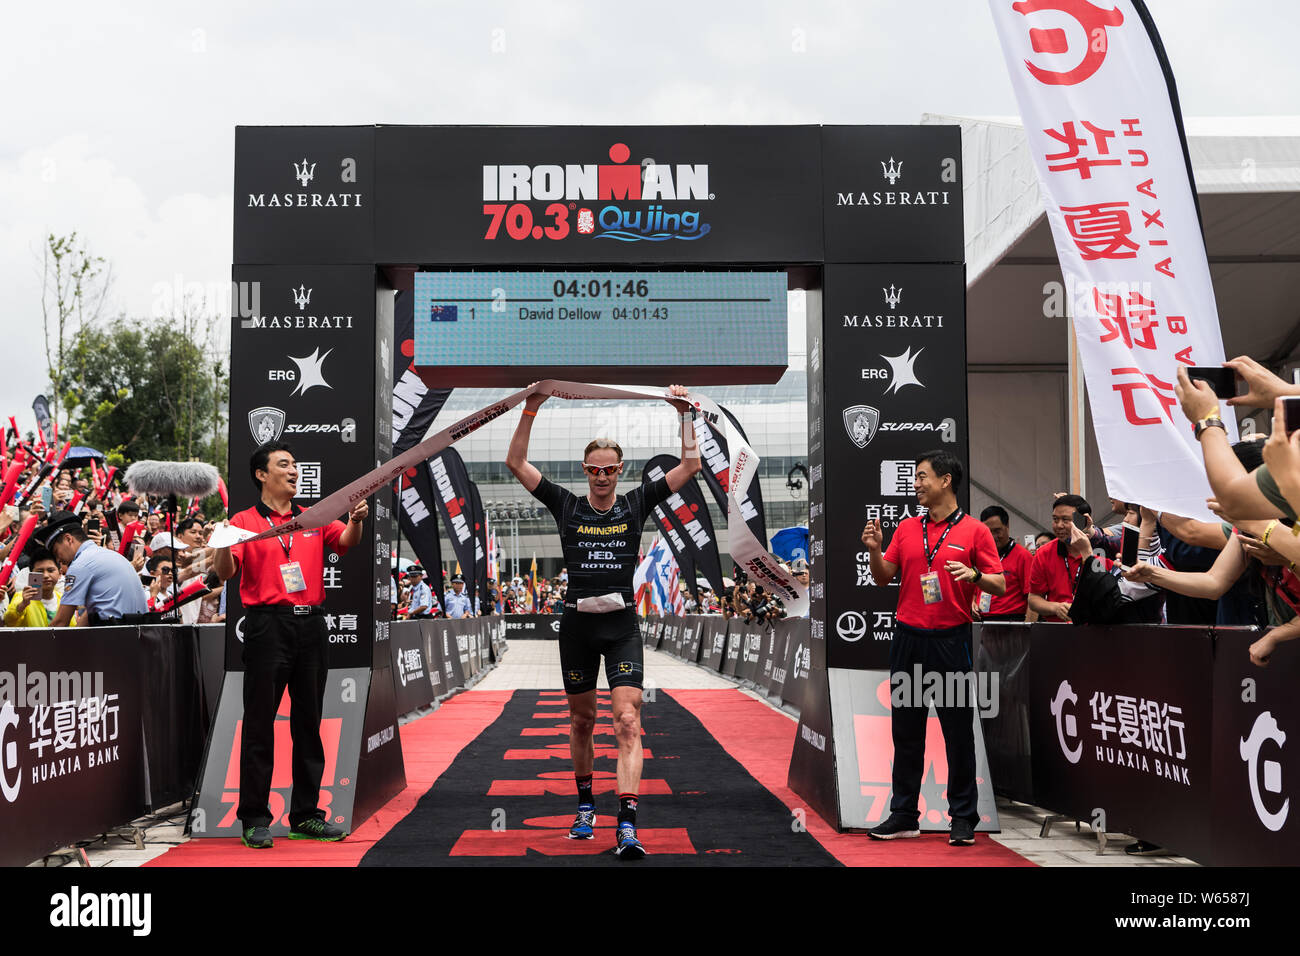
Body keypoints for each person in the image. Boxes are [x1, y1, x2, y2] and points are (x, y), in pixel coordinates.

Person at [506, 383, 699, 859]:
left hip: (620, 628)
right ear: (584, 470)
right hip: (576, 628)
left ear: (620, 470)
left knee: (628, 720)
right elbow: (516, 463)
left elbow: (690, 466)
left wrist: (684, 414)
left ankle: (627, 825)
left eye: (609, 469)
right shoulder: (566, 505)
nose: (601, 477)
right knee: (582, 721)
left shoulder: (635, 503)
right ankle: (586, 806)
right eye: (594, 469)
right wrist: (530, 409)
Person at [211, 441, 367, 850]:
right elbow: (225, 572)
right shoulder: (243, 521)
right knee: (259, 724)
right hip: (267, 627)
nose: (294, 470)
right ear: (262, 474)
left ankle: (306, 816)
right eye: (284, 464)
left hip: (311, 625)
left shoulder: (312, 517)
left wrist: (356, 520)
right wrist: (223, 542)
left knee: (308, 724)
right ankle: (254, 818)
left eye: (296, 464)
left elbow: (346, 541)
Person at [859, 450, 1005, 847]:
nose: (916, 484)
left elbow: (999, 584)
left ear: (945, 481)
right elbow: (882, 577)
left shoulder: (975, 531)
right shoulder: (907, 528)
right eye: (915, 477)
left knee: (958, 734)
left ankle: (963, 818)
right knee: (906, 732)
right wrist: (874, 549)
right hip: (907, 640)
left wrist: (973, 574)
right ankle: (904, 815)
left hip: (950, 641)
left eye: (923, 476)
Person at [38, 510, 149, 627]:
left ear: (68, 539)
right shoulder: (110, 555)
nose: (58, 560)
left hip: (114, 633)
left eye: (56, 552)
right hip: (137, 631)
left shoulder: (80, 565)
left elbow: (61, 622)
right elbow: (95, 610)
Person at [977, 506, 1033, 621]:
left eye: (997, 531)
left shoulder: (1023, 556)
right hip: (982, 620)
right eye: (988, 532)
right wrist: (973, 603)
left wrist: (1028, 626)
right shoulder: (980, 556)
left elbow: (1033, 597)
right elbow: (974, 590)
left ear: (1007, 526)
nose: (993, 537)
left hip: (1011, 621)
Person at [4, 548, 75, 627]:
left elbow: (72, 627)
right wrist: (22, 605)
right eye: (40, 571)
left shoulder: (64, 599)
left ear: (60, 573)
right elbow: (8, 621)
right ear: (31, 574)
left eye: (50, 570)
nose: (46, 575)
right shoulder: (22, 597)